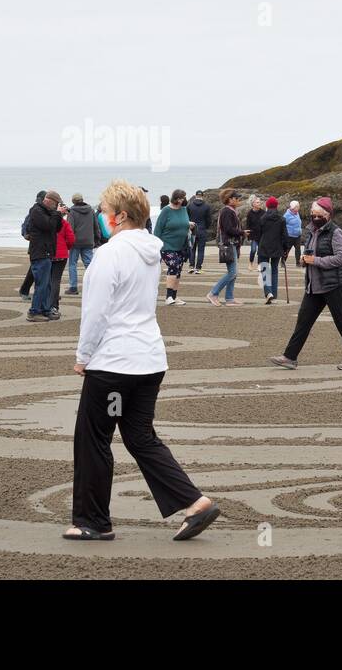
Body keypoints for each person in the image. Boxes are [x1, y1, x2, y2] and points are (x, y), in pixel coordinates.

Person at [66, 179, 220, 542]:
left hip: (115, 363)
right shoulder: (152, 251)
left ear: (119, 216)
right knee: (139, 435)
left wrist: (83, 356)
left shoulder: (110, 254)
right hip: (149, 359)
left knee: (93, 439)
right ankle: (195, 502)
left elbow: (97, 312)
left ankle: (93, 521)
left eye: (104, 212)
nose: (102, 218)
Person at [268, 196, 342, 371]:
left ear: (328, 215)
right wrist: (305, 260)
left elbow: (341, 258)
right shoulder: (311, 231)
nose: (315, 217)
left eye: (319, 214)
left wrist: (315, 260)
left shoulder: (336, 232)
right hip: (314, 285)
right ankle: (290, 357)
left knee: (341, 321)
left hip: (334, 284)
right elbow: (310, 254)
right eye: (313, 214)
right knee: (303, 321)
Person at [26, 191, 64, 322]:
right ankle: (34, 311)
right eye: (56, 204)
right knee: (41, 284)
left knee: (46, 284)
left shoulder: (47, 212)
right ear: (49, 201)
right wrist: (57, 213)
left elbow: (56, 228)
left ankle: (45, 309)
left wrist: (58, 215)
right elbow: (48, 226)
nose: (56, 206)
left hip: (47, 252)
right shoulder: (36, 211)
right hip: (40, 252)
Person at [152, 189, 191, 306]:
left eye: (183, 198)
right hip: (167, 245)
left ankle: (174, 296)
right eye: (180, 198)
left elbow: (183, 223)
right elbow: (158, 229)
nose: (182, 200)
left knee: (178, 269)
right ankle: (168, 296)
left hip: (181, 246)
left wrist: (190, 225)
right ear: (175, 198)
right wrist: (156, 246)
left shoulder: (184, 210)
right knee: (173, 265)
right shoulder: (166, 211)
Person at [207, 189, 244, 306]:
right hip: (228, 244)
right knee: (232, 273)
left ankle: (229, 298)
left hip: (231, 244)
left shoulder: (230, 211)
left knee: (233, 273)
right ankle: (213, 293)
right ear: (230, 199)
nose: (238, 200)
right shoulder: (227, 211)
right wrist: (241, 232)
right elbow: (228, 229)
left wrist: (240, 233)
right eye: (236, 198)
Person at [65, 193, 97, 295]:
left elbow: (70, 228)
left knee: (72, 264)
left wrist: (68, 241)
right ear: (82, 200)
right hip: (88, 240)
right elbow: (95, 225)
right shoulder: (91, 210)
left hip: (75, 242)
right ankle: (94, 285)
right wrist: (97, 238)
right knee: (89, 264)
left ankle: (73, 287)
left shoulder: (72, 212)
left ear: (73, 201)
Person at [18, 190, 48, 301]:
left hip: (42, 246)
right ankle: (25, 290)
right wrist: (26, 234)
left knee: (36, 270)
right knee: (35, 270)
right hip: (37, 246)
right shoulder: (36, 210)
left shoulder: (42, 210)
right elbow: (25, 225)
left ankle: (25, 290)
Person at [256, 196, 286, 304]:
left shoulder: (262, 218)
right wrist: (285, 249)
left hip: (264, 246)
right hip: (277, 247)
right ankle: (274, 295)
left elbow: (259, 234)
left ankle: (268, 293)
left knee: (265, 270)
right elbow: (284, 236)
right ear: (276, 206)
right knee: (274, 271)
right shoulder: (282, 219)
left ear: (267, 206)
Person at [49, 205, 75, 314]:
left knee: (48, 280)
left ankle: (48, 303)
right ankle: (54, 305)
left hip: (49, 253)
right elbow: (71, 239)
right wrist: (66, 247)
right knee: (56, 280)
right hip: (61, 254)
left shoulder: (48, 223)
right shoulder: (64, 224)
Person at [186, 191, 211, 273]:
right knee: (201, 250)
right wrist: (205, 227)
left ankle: (191, 266)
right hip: (202, 230)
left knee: (192, 249)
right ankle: (198, 268)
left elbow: (187, 218)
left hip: (192, 229)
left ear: (195, 196)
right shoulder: (206, 206)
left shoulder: (190, 206)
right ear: (202, 196)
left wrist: (189, 227)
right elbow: (209, 220)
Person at [244, 195, 264, 269]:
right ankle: (250, 263)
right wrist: (248, 236)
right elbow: (248, 225)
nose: (259, 203)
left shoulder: (263, 212)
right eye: (257, 202)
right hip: (253, 235)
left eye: (259, 202)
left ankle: (259, 265)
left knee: (260, 251)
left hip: (261, 235)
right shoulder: (249, 213)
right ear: (253, 204)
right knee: (253, 250)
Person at [284, 200, 304, 265]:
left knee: (298, 250)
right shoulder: (286, 215)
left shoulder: (297, 213)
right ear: (293, 207)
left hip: (297, 235)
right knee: (287, 249)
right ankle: (283, 261)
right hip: (290, 236)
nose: (298, 208)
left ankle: (298, 263)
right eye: (297, 207)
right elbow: (282, 225)